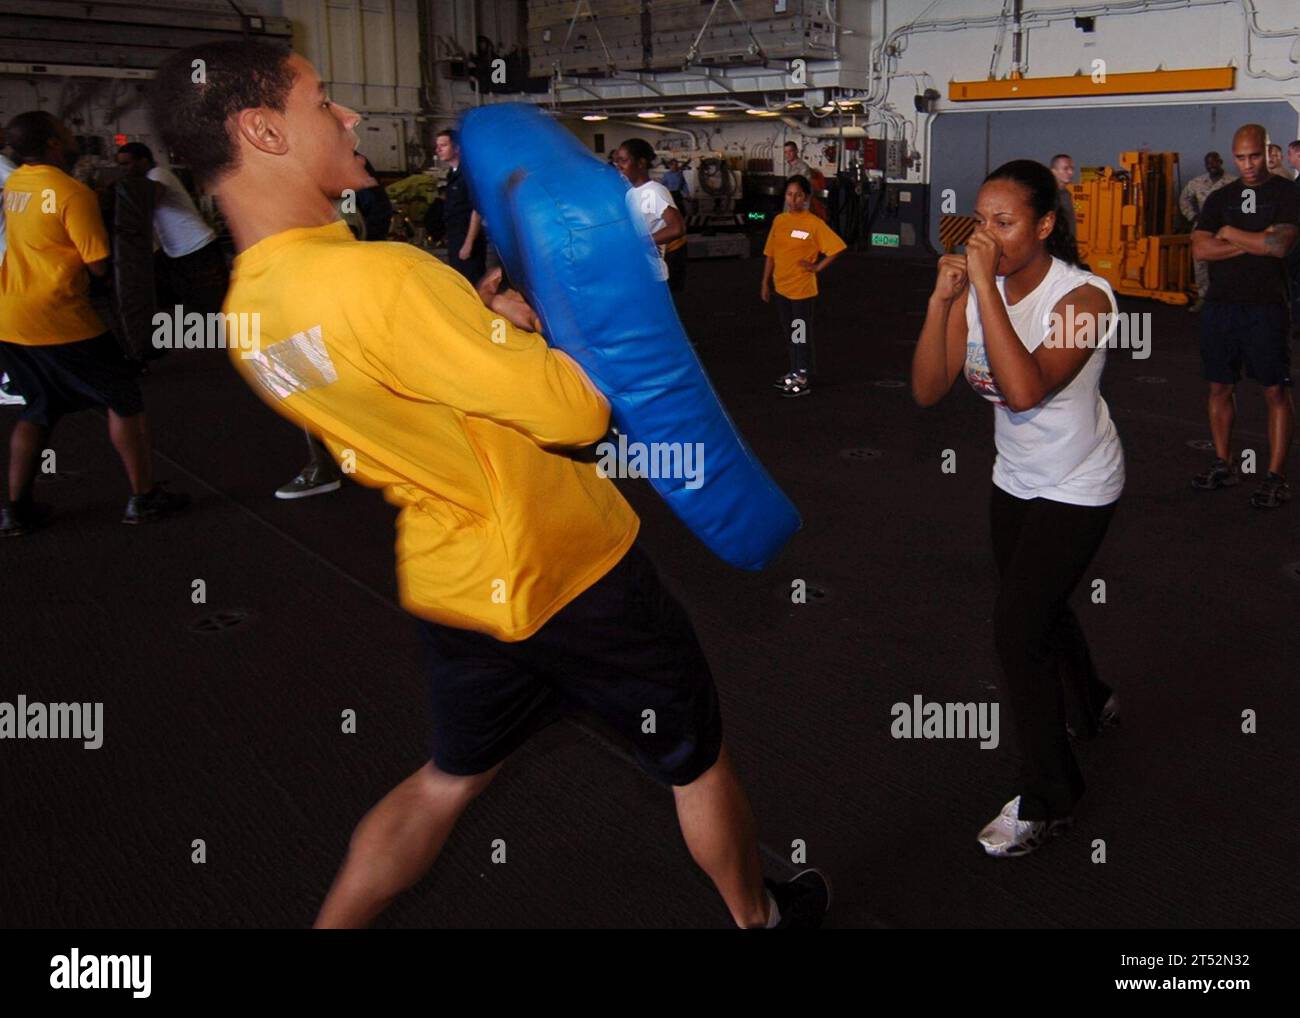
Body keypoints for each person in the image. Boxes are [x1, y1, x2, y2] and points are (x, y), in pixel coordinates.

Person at [149, 38, 828, 929]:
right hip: (573, 571)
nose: (350, 116)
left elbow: (401, 379)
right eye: (324, 102)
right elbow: (578, 414)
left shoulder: (247, 308)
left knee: (445, 781)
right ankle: (761, 917)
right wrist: (553, 323)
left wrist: (481, 318)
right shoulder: (383, 277)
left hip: (456, 583)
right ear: (262, 129)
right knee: (696, 761)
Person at [911, 158, 1125, 857]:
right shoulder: (978, 288)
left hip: (1079, 484)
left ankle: (1049, 794)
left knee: (1016, 630)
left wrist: (981, 290)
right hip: (1015, 478)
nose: (988, 235)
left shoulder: (1085, 299)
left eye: (1004, 223)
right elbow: (928, 389)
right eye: (983, 219)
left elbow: (1026, 388)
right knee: (1040, 606)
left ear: (1043, 226)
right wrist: (944, 303)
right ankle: (1090, 700)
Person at [0, 112, 189, 536]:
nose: (72, 136)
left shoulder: (16, 185)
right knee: (124, 398)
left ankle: (15, 510)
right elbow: (101, 265)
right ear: (53, 143)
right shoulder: (71, 192)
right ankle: (143, 498)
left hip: (10, 315)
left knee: (37, 407)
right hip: (59, 317)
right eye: (65, 133)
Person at [1190, 124, 1296, 509]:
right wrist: (1252, 241)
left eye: (1255, 156)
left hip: (1267, 306)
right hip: (1221, 306)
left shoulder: (1287, 193)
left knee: (1274, 391)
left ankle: (1275, 476)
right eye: (1241, 158)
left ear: (1268, 152)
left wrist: (1229, 233)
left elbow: (1279, 244)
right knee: (1219, 386)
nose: (1248, 165)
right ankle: (1224, 463)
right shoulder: (1221, 197)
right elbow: (1201, 249)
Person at [115, 142, 229, 316]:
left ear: (143, 161)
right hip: (178, 252)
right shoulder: (145, 181)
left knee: (213, 301)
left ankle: (231, 340)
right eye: (120, 164)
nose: (123, 169)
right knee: (195, 303)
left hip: (198, 246)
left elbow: (151, 199)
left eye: (127, 163)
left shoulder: (158, 174)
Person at [760, 175, 845, 398]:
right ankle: (795, 370)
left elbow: (836, 247)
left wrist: (817, 267)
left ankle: (802, 376)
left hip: (801, 291)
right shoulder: (780, 221)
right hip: (781, 287)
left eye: (798, 195)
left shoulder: (813, 224)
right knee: (790, 333)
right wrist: (765, 282)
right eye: (789, 194)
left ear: (806, 198)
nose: (793, 199)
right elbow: (770, 253)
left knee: (800, 334)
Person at [613, 139, 686, 287]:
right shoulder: (631, 193)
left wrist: (640, 242)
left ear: (641, 163)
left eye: (624, 161)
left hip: (651, 275)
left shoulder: (653, 191)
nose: (619, 167)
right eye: (617, 162)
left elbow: (677, 228)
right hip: (636, 270)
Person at [1179, 152, 1236, 313]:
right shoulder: (1197, 183)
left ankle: (1226, 301)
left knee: (1226, 264)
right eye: (1208, 164)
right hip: (1202, 229)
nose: (1212, 166)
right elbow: (1184, 199)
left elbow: (1244, 205)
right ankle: (1204, 298)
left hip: (1225, 230)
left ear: (1221, 162)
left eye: (1214, 163)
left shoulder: (1233, 182)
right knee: (1201, 265)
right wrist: (1193, 216)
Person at [435, 128, 485, 285]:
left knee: (471, 284)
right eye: (437, 146)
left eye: (443, 145)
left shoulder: (468, 174)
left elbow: (476, 210)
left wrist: (468, 243)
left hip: (468, 239)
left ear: (457, 148)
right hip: (455, 238)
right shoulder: (452, 174)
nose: (438, 150)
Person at [1049, 154, 1077, 245]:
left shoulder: (1067, 195)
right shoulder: (1046, 193)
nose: (1070, 172)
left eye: (1072, 168)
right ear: (1054, 171)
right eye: (1065, 169)